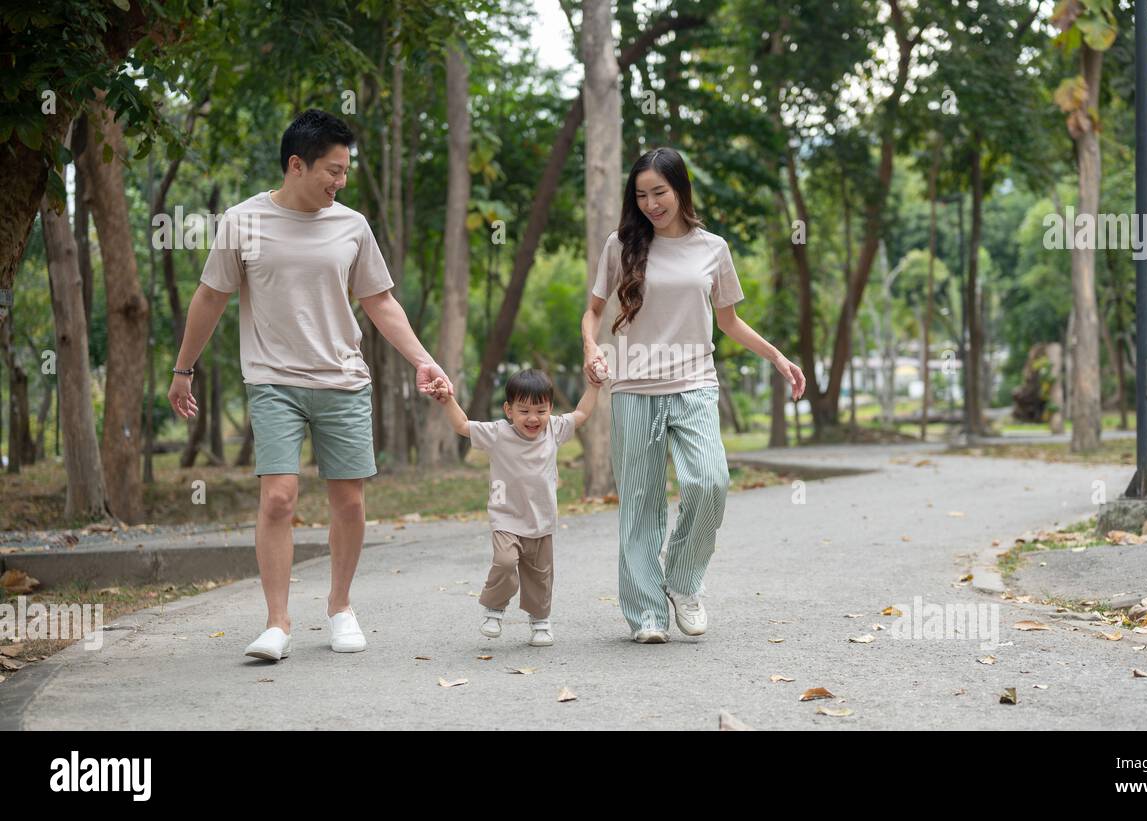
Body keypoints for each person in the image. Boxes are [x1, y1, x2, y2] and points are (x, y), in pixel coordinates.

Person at [168, 109, 452, 662]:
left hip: (343, 379)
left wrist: (423, 360)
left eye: (345, 171)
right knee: (278, 498)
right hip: (274, 380)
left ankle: (340, 606)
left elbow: (380, 301)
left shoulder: (352, 226)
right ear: (296, 165)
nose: (340, 182)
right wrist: (183, 369)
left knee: (348, 502)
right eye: (332, 170)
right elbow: (210, 298)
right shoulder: (243, 221)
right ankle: (277, 622)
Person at [580, 147, 806, 643]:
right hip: (634, 387)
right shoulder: (620, 245)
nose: (650, 204)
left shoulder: (713, 248)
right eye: (640, 195)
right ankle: (645, 615)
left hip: (694, 383)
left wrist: (776, 356)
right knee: (640, 504)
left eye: (659, 192)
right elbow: (593, 311)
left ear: (681, 189)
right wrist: (591, 348)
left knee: (711, 482)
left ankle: (683, 580)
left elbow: (728, 321)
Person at [426, 369, 600, 646]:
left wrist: (594, 387)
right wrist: (448, 400)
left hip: (542, 519)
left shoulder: (554, 429)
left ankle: (540, 620)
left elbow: (581, 414)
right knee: (506, 562)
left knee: (540, 575)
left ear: (550, 409)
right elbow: (462, 425)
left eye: (541, 411)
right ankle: (495, 608)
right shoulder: (498, 434)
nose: (533, 418)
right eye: (524, 411)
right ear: (509, 410)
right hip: (506, 517)